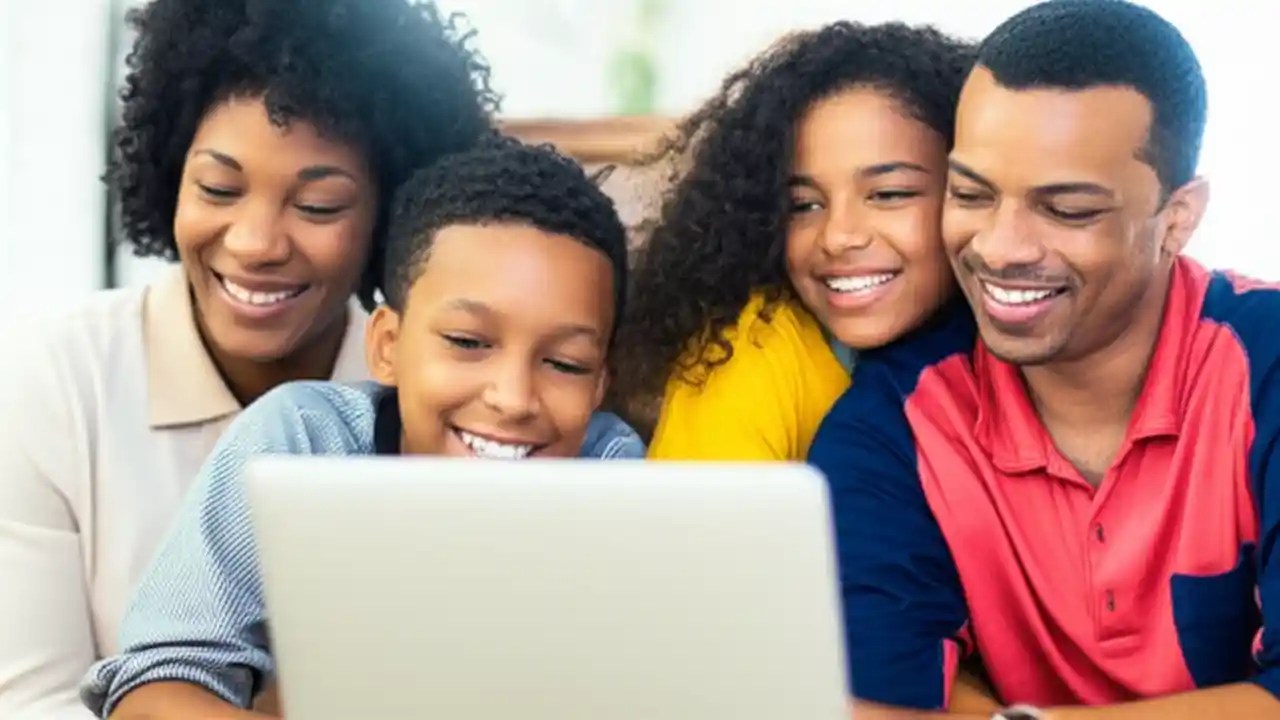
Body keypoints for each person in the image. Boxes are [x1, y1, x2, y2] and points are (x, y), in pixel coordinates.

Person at [0, 0, 494, 716]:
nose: (257, 242)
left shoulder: (439, 397)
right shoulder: (49, 379)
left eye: (320, 205)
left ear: (388, 220)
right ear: (171, 175)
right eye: (219, 189)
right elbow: (31, 703)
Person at [809, 1, 1280, 718]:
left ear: (1177, 218)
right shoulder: (892, 424)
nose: (1000, 247)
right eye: (971, 194)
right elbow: (878, 704)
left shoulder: (1266, 366)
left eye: (1067, 210)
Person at [81, 137, 644, 720]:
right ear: (387, 346)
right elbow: (156, 690)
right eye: (468, 343)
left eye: (565, 364)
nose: (513, 398)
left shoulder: (613, 471)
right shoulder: (298, 442)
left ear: (600, 383)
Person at [612, 22, 974, 459]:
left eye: (888, 195)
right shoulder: (752, 351)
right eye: (803, 205)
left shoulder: (1022, 351)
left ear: (972, 192)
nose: (839, 236)